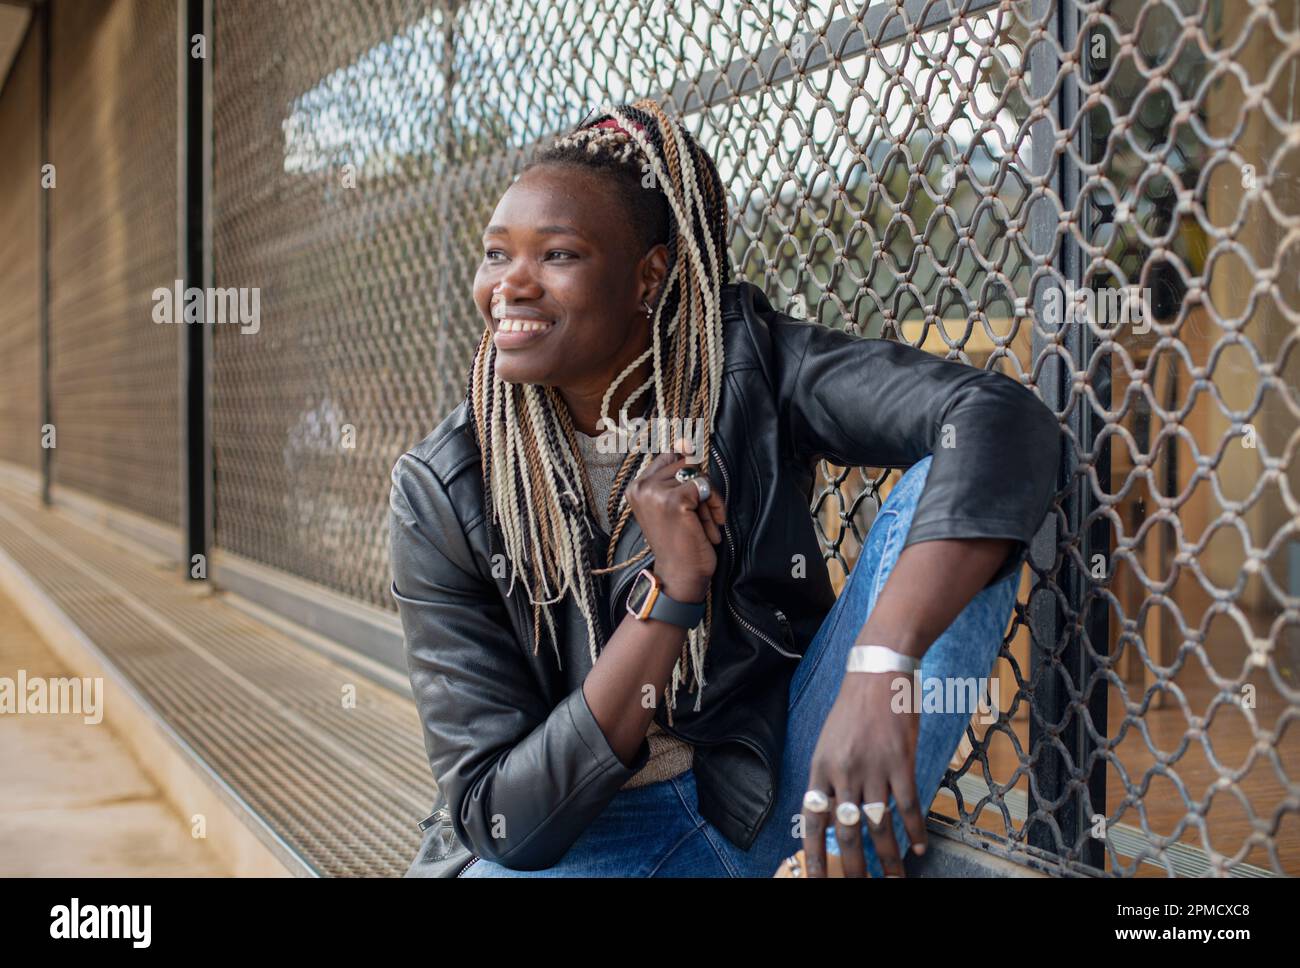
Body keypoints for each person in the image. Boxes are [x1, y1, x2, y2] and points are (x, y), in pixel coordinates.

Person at [389, 98, 1061, 878]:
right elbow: (503, 818)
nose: (512, 285)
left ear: (651, 275)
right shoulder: (445, 489)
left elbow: (994, 419)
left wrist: (882, 668)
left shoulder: (753, 365)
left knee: (945, 486)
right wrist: (670, 600)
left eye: (559, 255)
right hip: (579, 843)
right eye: (496, 254)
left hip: (770, 798)